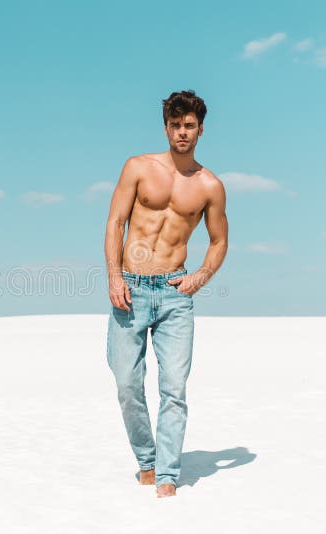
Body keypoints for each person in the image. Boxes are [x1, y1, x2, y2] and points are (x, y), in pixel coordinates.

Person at [104, 89, 229, 498]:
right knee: (127, 383)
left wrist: (201, 277)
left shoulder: (210, 185)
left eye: (189, 125)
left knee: (174, 388)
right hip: (132, 288)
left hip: (175, 296)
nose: (182, 132)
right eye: (175, 125)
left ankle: (168, 474)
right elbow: (115, 222)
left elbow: (219, 241)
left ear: (201, 129)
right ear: (166, 127)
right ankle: (146, 458)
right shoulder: (138, 168)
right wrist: (114, 278)